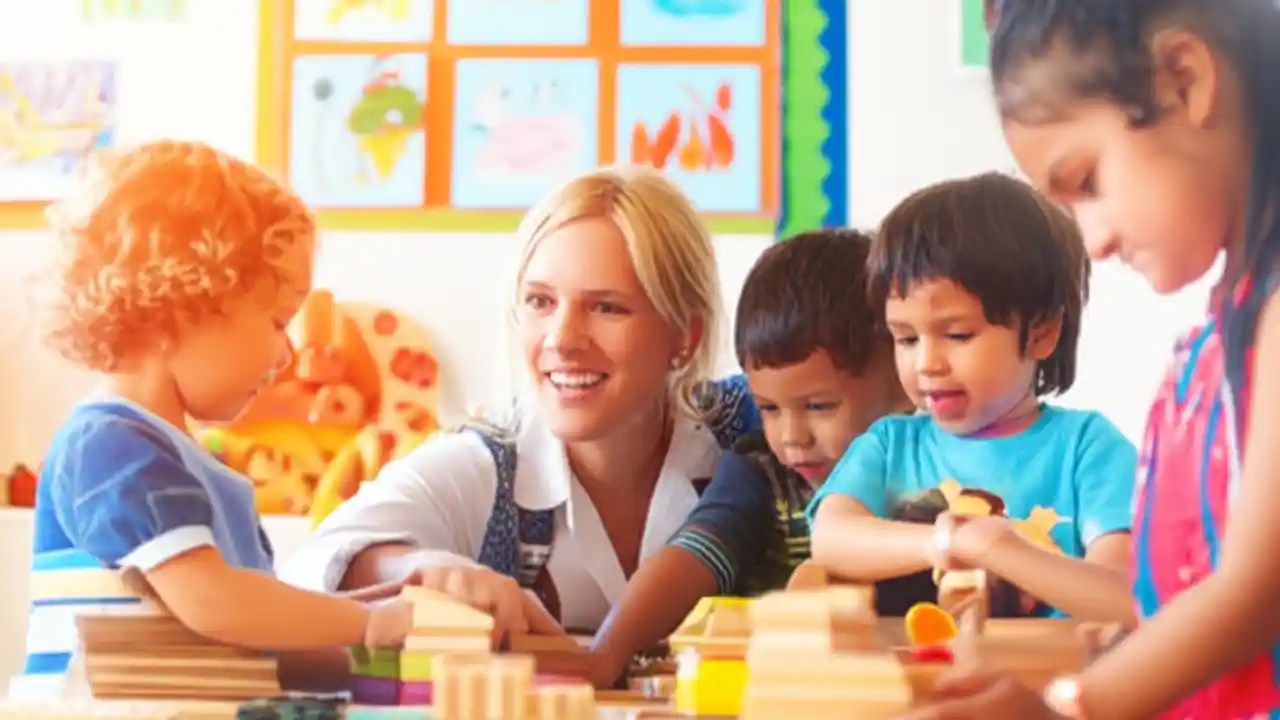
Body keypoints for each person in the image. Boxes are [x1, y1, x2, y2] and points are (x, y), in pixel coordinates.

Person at [903, 1, 1280, 718]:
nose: (1094, 240)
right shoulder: (1227, 325)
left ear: (1184, 79)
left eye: (1088, 182)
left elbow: (1257, 596)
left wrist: (1067, 707)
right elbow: (1173, 603)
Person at [12, 141, 411, 699]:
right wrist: (367, 623)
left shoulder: (186, 460)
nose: (286, 356)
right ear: (181, 307)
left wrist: (377, 623)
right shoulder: (109, 446)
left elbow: (252, 646)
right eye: (276, 322)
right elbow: (215, 604)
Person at [283, 166, 745, 642]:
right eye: (541, 302)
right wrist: (418, 565)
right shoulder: (487, 464)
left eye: (607, 307)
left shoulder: (753, 443)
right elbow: (309, 570)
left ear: (685, 337)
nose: (562, 340)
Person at [580, 229, 913, 687]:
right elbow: (689, 560)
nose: (792, 437)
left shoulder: (934, 478)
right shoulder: (761, 476)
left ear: (900, 384)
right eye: (769, 409)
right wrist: (606, 650)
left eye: (819, 406)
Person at [807, 172, 1138, 625]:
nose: (926, 363)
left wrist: (1001, 552)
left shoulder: (1088, 448)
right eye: (905, 338)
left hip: (1046, 686)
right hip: (914, 687)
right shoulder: (889, 445)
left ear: (1042, 332)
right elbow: (830, 537)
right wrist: (947, 542)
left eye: (957, 334)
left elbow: (1125, 599)